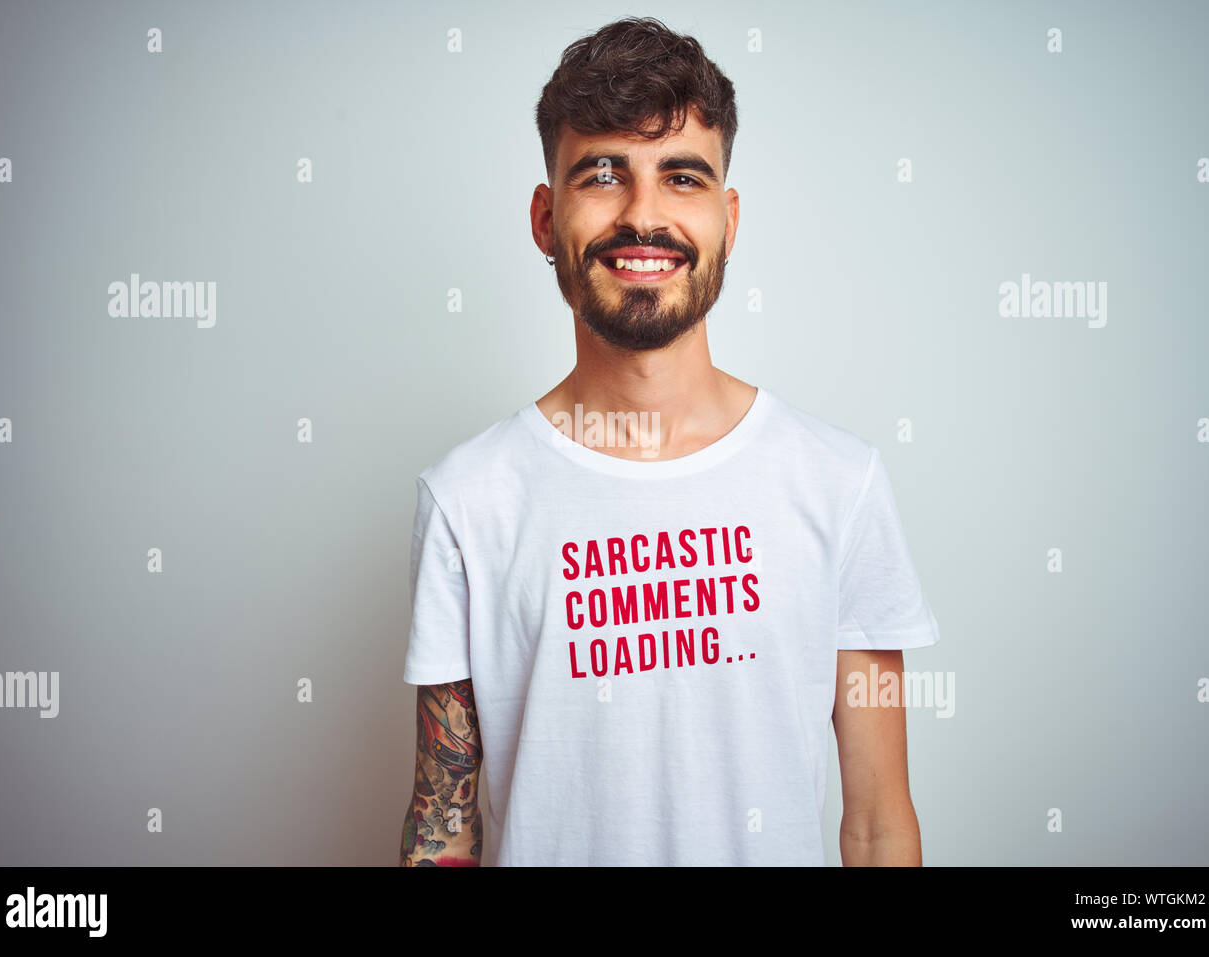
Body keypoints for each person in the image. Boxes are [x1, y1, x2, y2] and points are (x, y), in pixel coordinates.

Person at [399, 16, 940, 867]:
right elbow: (443, 826)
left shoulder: (840, 483)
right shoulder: (469, 498)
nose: (643, 215)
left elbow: (876, 825)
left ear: (727, 218)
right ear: (546, 219)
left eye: (681, 177)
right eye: (602, 177)